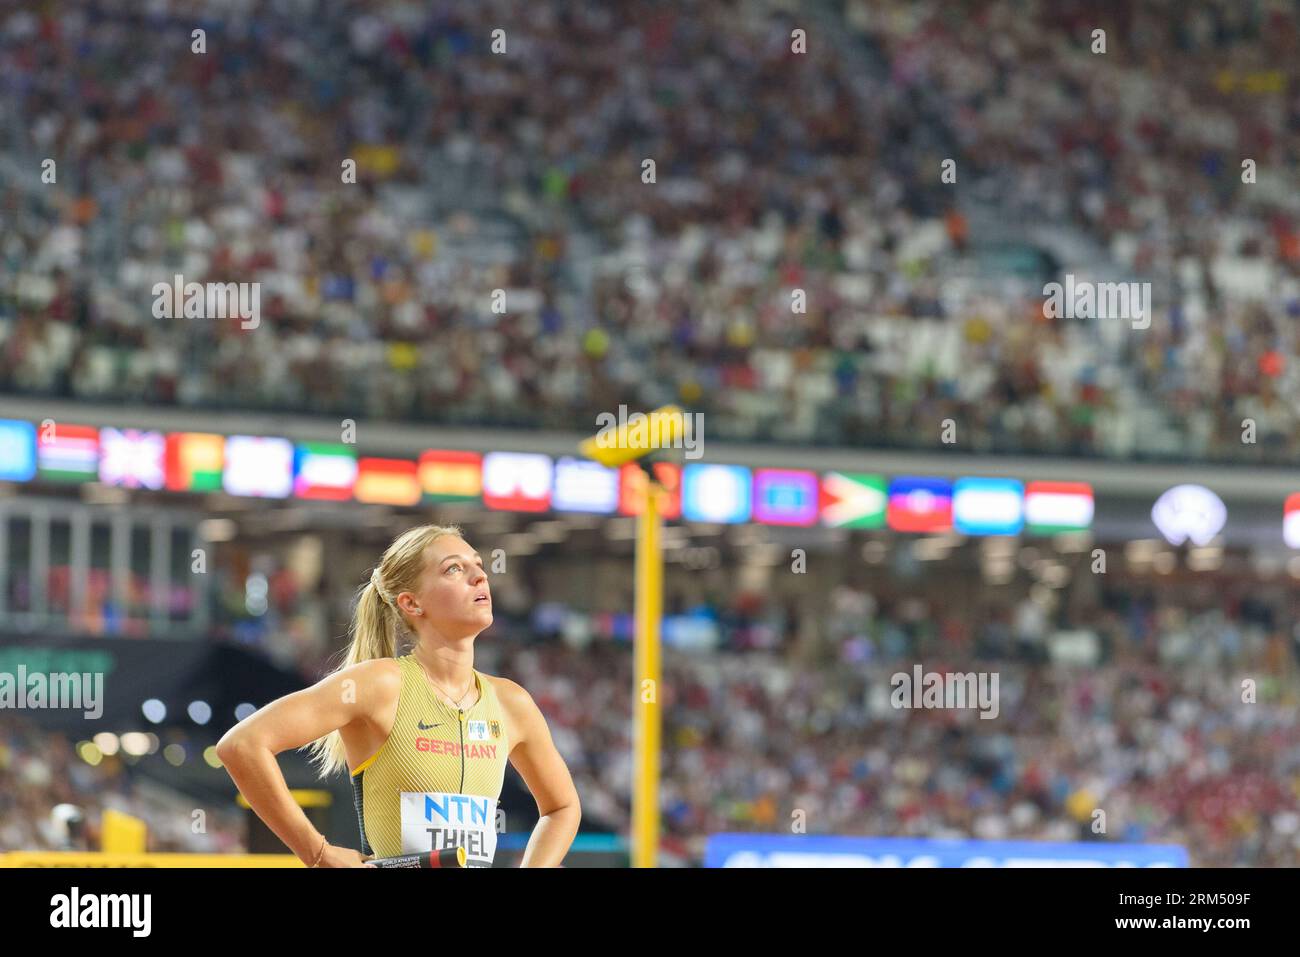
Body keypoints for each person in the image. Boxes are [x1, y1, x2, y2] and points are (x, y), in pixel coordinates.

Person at [216, 523, 580, 867]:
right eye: (454, 569)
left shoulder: (510, 702)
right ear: (411, 603)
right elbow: (242, 745)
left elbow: (562, 807)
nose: (480, 576)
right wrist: (317, 853)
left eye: (479, 565)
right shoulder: (380, 685)